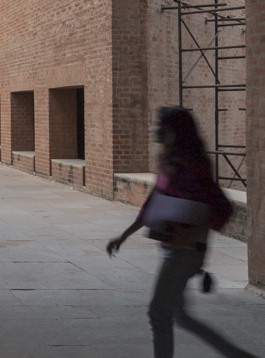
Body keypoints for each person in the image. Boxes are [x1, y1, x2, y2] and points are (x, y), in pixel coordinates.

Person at [106, 106, 257, 358]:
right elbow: (153, 202)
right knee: (181, 316)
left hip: (186, 251)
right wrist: (124, 235)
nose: (154, 129)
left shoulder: (193, 166)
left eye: (159, 124)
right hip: (170, 247)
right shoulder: (167, 161)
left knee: (158, 313)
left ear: (174, 131)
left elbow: (222, 207)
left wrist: (192, 232)